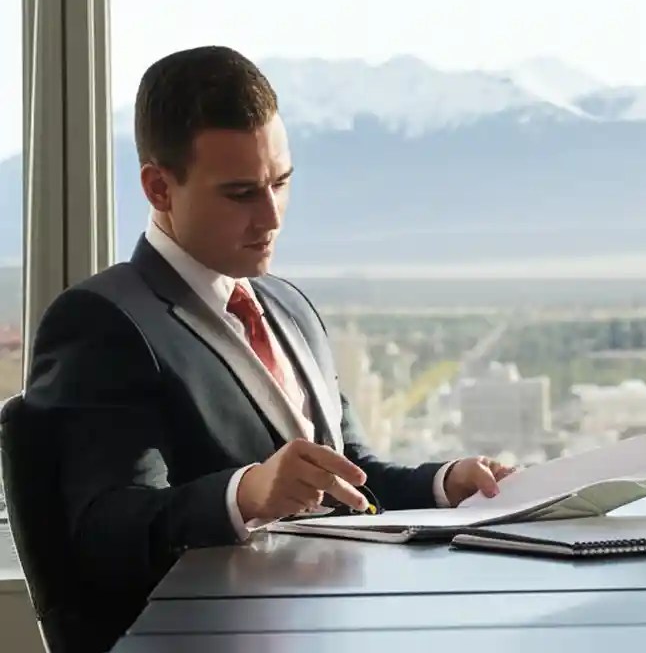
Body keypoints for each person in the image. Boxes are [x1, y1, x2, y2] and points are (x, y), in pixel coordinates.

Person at [23, 45, 514, 648]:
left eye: (280, 183)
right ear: (158, 187)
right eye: (240, 194)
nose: (271, 216)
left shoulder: (289, 306)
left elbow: (352, 481)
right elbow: (105, 530)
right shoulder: (104, 322)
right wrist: (246, 493)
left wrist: (447, 485)